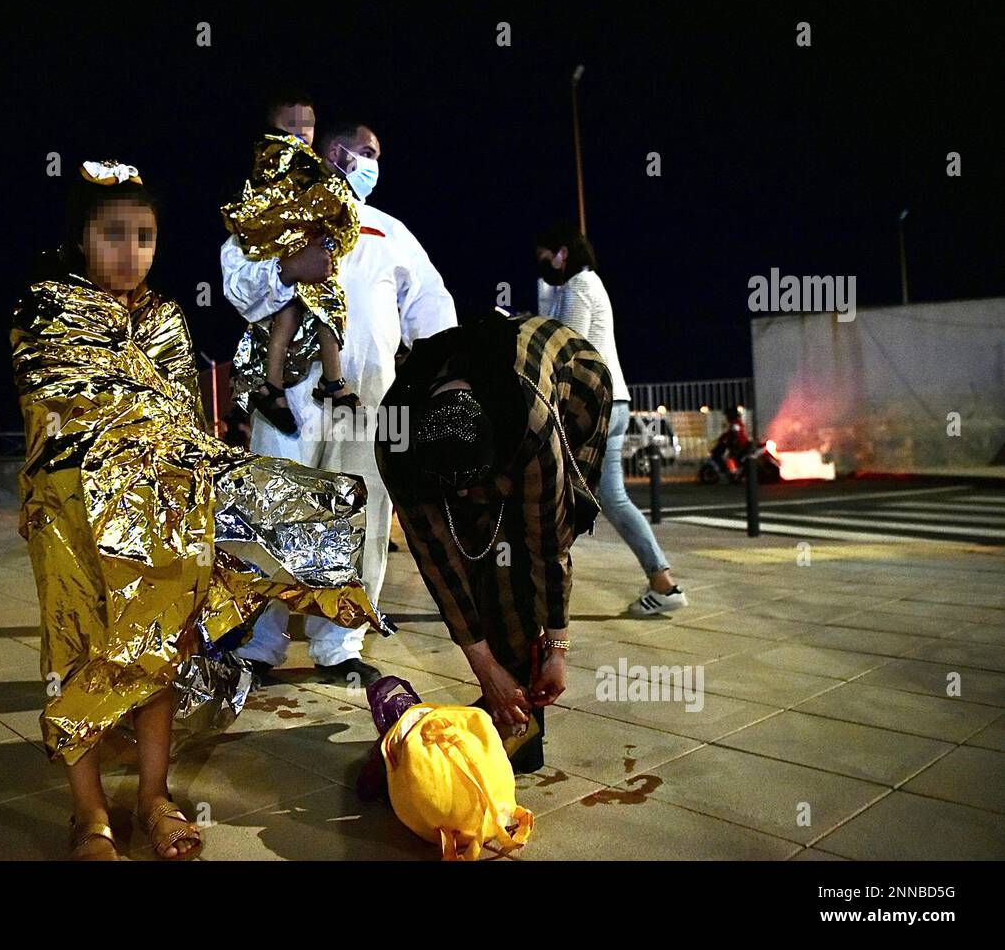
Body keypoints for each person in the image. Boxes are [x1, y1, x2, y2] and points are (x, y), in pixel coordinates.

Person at [12, 160, 390, 860]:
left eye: (146, 237)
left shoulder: (165, 318)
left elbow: (179, 417)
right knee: (79, 647)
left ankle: (155, 794)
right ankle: (89, 811)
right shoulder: (46, 311)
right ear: (80, 240)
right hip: (71, 518)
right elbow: (58, 406)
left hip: (163, 512)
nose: (133, 253)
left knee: (162, 648)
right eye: (114, 235)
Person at [221, 119, 457, 687]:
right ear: (337, 151)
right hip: (290, 402)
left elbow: (429, 303)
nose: (376, 163)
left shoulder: (388, 230)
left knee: (365, 517)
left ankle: (340, 643)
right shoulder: (280, 211)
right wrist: (285, 270)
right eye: (369, 151)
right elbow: (237, 285)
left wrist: (445, 374)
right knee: (273, 515)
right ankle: (262, 640)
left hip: (370, 404)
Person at [376, 310, 613, 772]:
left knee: (516, 559)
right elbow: (439, 564)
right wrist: (486, 667)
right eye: (452, 487)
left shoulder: (531, 426)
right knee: (478, 554)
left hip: (575, 392)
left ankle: (521, 715)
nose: (463, 497)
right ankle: (507, 696)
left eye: (472, 484)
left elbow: (549, 545)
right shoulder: (396, 439)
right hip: (468, 422)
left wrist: (557, 648)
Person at [536, 224, 689, 617]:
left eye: (546, 254)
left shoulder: (579, 286)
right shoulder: (585, 285)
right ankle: (661, 582)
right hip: (611, 402)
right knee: (597, 497)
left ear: (563, 253)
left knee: (556, 491)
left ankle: (661, 582)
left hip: (594, 407)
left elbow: (566, 343)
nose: (543, 262)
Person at [223, 90, 361, 434]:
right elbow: (237, 289)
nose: (300, 137)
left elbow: (430, 310)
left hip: (363, 428)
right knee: (293, 319)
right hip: (289, 433)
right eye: (291, 129)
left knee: (329, 313)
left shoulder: (379, 226)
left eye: (307, 128)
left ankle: (333, 383)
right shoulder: (257, 214)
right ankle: (275, 388)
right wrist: (289, 269)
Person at [711, 406, 750, 471]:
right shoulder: (735, 423)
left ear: (731, 415)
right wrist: (722, 437)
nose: (726, 418)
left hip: (740, 445)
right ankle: (734, 471)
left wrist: (726, 440)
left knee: (730, 456)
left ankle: (734, 471)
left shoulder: (736, 423)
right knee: (730, 456)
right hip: (738, 444)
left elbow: (734, 433)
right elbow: (729, 433)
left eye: (727, 415)